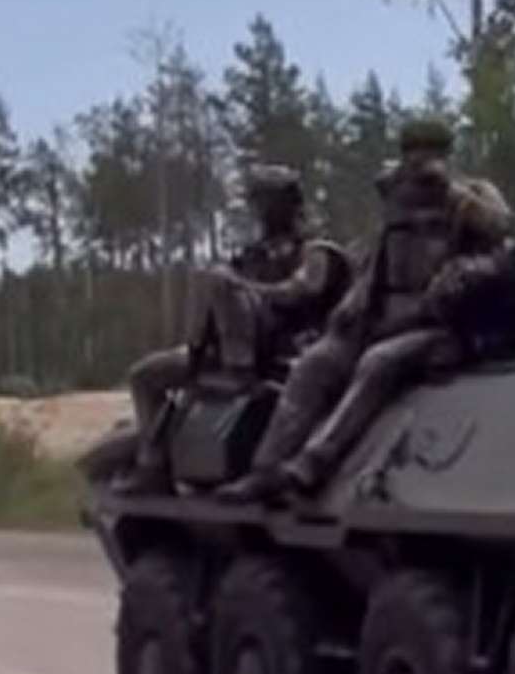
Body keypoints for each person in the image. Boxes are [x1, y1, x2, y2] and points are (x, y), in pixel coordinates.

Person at [216, 119, 515, 504]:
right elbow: (380, 260)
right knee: (316, 364)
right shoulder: (398, 202)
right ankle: (264, 471)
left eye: (429, 156)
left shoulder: (470, 197)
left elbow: (505, 242)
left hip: (443, 324)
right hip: (383, 318)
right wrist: (353, 306)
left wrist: (459, 216)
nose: (421, 167)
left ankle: (314, 460)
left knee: (379, 362)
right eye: (413, 156)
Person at [113, 165, 350, 495]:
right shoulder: (253, 255)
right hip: (231, 351)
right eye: (256, 201)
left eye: (265, 201)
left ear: (288, 204)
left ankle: (239, 371)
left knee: (221, 281)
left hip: (293, 354)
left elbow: (301, 292)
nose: (258, 210)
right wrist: (200, 345)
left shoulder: (318, 252)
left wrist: (242, 288)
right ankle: (153, 467)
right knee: (145, 374)